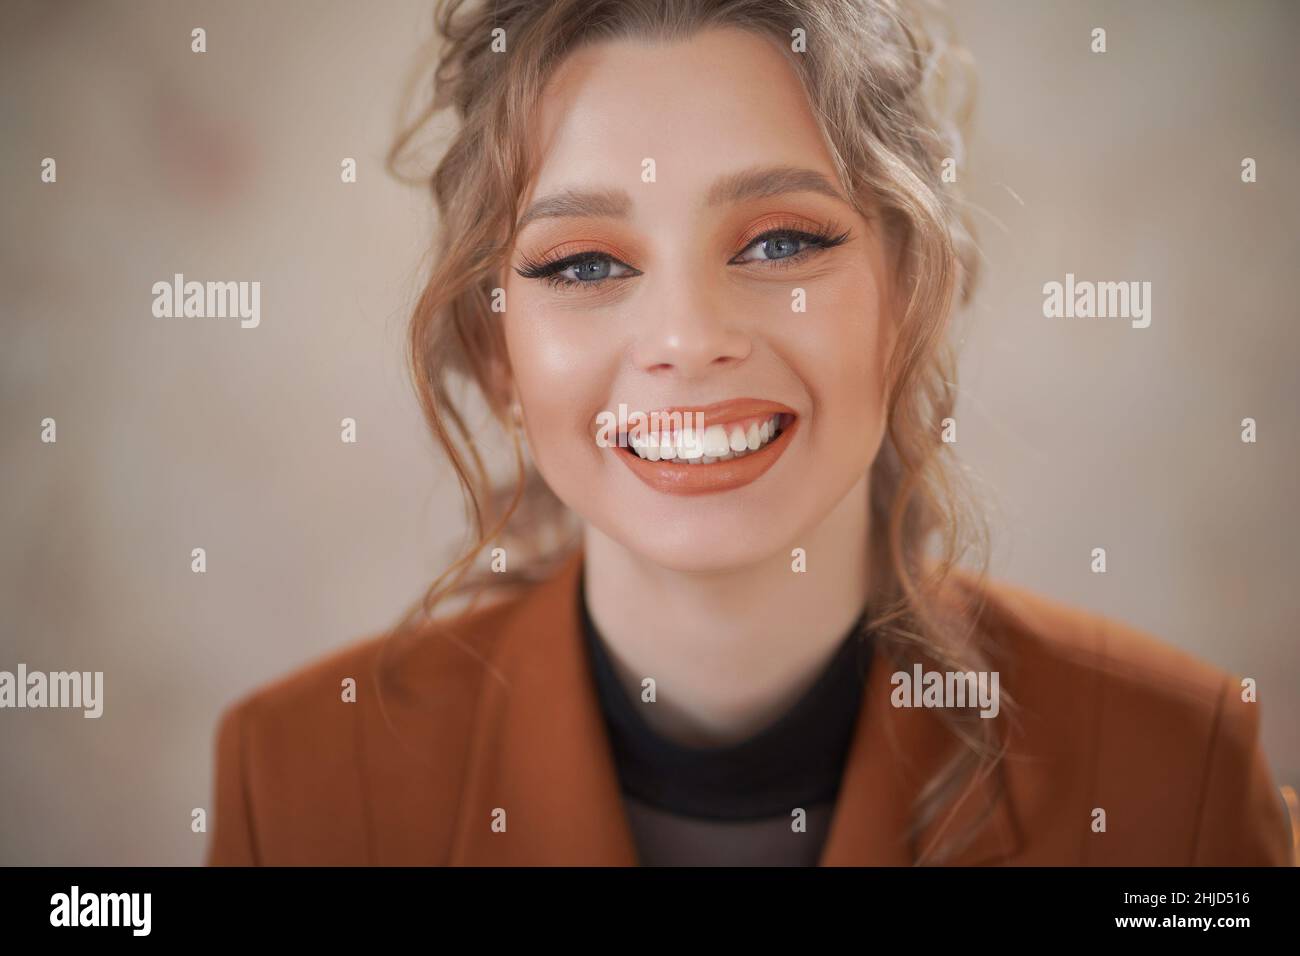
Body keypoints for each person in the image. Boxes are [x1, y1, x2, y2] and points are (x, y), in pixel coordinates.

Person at [206, 0, 1295, 866]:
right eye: (583, 262)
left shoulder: (1176, 774)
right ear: (497, 357)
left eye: (779, 242)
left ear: (907, 292)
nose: (686, 337)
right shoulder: (299, 780)